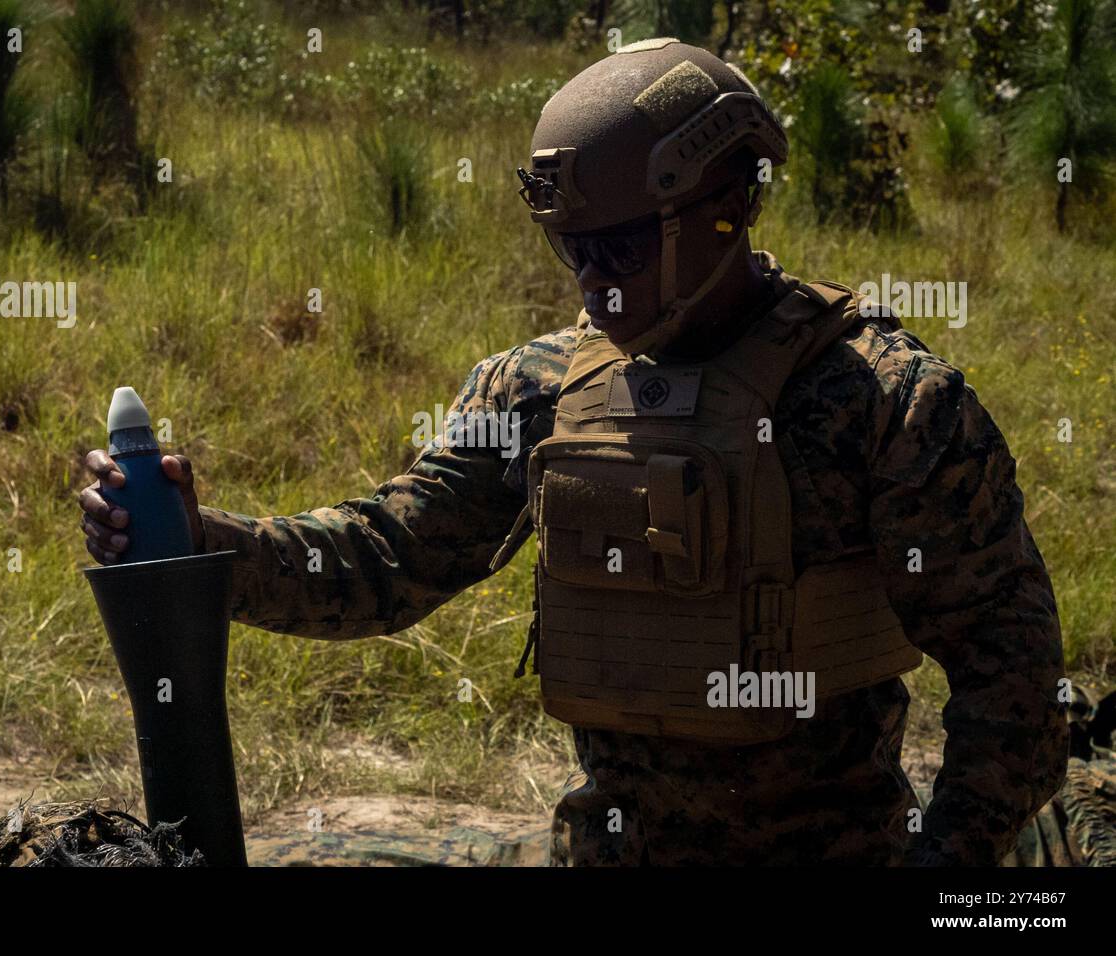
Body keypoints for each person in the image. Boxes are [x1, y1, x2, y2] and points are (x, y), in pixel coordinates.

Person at [78, 39, 1068, 866]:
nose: (591, 280)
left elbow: (1012, 679)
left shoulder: (882, 400)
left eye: (623, 246)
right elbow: (390, 557)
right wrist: (208, 547)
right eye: (571, 247)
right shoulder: (537, 389)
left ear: (727, 204)